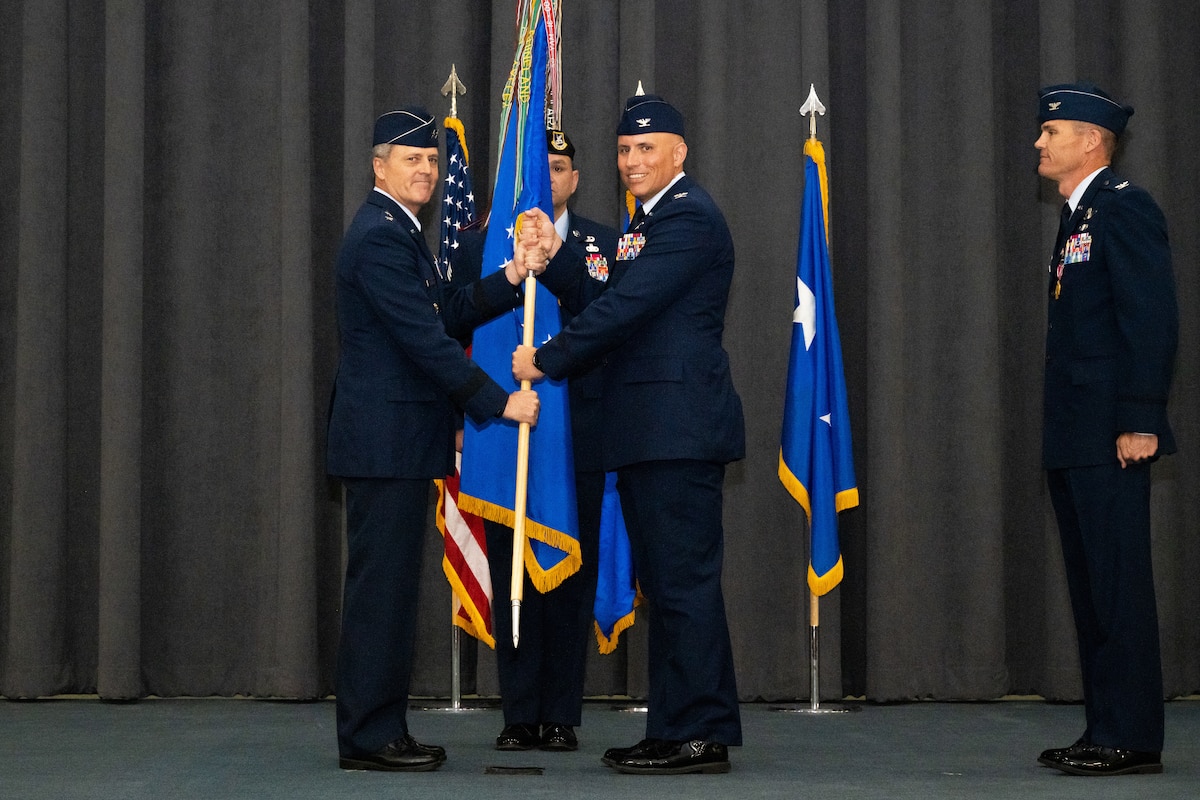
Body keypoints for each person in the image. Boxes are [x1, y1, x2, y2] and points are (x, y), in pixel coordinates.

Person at [512, 94, 744, 775]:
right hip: (648, 431)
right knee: (667, 590)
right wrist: (555, 259)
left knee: (684, 588)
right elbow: (604, 299)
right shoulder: (644, 225)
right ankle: (673, 727)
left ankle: (701, 732)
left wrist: (545, 360)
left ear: (679, 152)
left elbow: (625, 309)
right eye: (623, 150)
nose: (633, 160)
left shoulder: (689, 218)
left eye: (647, 148)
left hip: (678, 430)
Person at [326, 106, 541, 772]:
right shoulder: (380, 237)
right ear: (378, 165)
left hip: (392, 441)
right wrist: (499, 403)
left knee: (388, 593)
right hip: (381, 443)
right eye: (410, 159)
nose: (425, 169)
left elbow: (443, 311)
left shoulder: (398, 230)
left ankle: (381, 726)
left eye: (431, 160)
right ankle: (368, 736)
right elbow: (425, 341)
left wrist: (510, 278)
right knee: (379, 595)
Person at [454, 129, 618, 753]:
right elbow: (459, 325)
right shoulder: (482, 247)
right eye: (537, 167)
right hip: (505, 431)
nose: (547, 178)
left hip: (578, 433)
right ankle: (519, 712)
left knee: (572, 578)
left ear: (575, 178)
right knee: (510, 566)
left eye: (558, 168)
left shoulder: (603, 245)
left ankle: (560, 714)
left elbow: (610, 318)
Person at [1032, 83, 1178, 776]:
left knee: (1118, 586)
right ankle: (1104, 728)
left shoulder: (1123, 208)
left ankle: (1132, 736)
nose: (1039, 142)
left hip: (1112, 432)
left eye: (1051, 131)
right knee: (1092, 588)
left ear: (1091, 140)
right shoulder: (1077, 214)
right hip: (1076, 431)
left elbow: (1150, 319)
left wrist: (1141, 418)